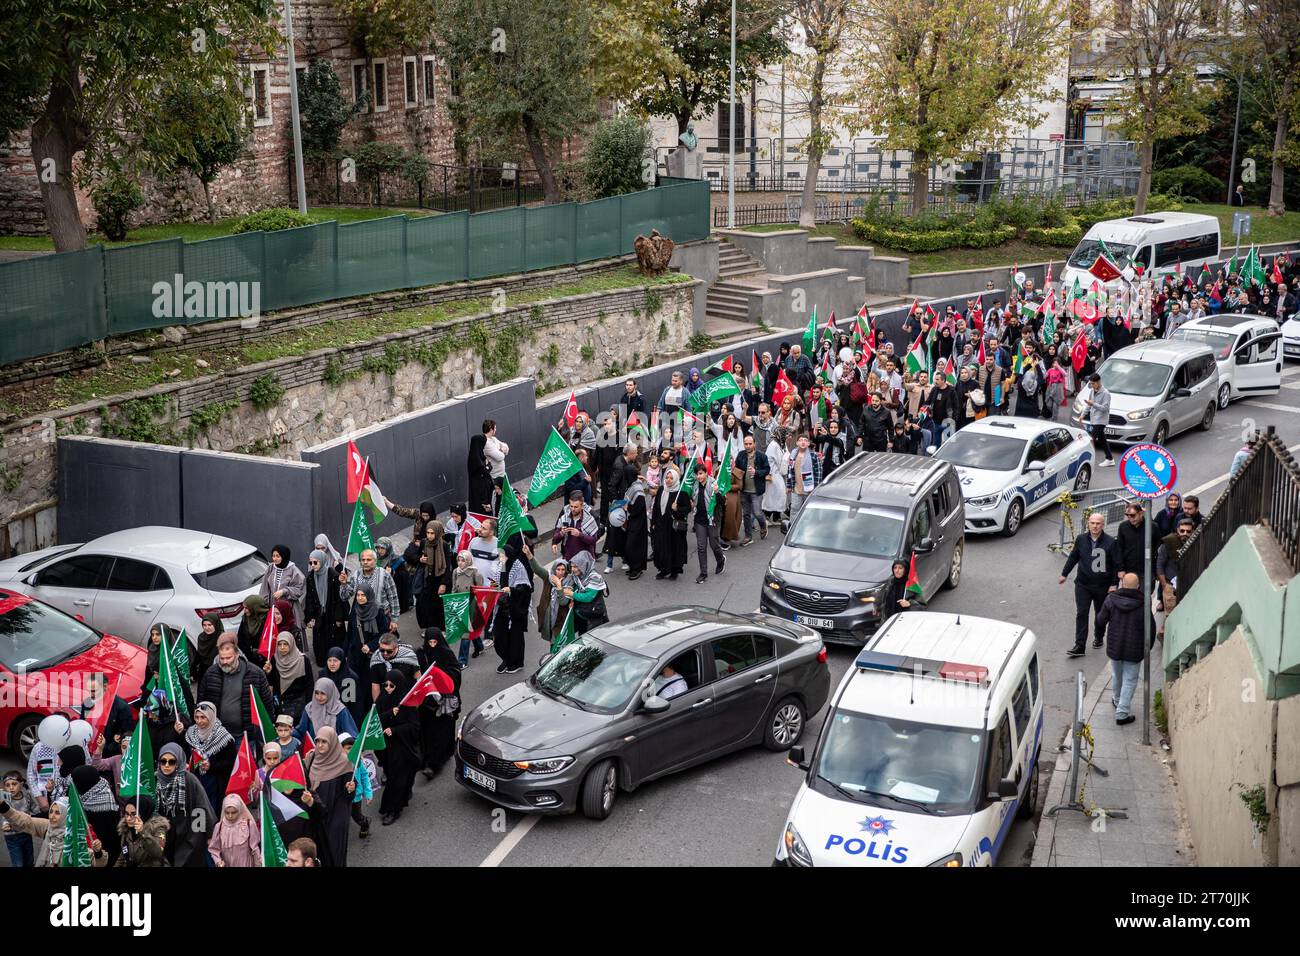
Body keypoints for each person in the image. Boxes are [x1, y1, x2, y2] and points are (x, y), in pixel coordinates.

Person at [1060, 512, 1121, 658]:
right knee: (1082, 613)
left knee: (1100, 614)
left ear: (1103, 525)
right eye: (1092, 523)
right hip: (1083, 584)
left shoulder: (1111, 542)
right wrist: (1064, 574)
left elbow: (1116, 564)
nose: (1095, 526)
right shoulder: (1081, 539)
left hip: (1102, 586)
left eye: (1098, 523)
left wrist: (1114, 584)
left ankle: (1099, 637)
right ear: (1088, 524)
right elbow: (1074, 557)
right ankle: (1079, 645)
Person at [199, 633, 274, 743]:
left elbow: (267, 704)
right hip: (218, 736)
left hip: (247, 737)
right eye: (221, 658)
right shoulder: (210, 674)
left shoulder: (255, 674)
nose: (225, 662)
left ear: (237, 654)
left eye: (228, 658)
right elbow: (201, 703)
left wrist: (266, 733)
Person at [1097, 572, 1146, 726]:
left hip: (1115, 646)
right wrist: (1147, 648)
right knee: (1130, 679)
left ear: (1122, 584)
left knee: (1117, 675)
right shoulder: (1143, 603)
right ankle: (1122, 712)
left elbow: (1100, 620)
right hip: (1134, 648)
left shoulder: (1111, 599)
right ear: (1138, 586)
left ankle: (1117, 700)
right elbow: (1149, 629)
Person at [303, 727, 356, 866]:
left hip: (335, 816)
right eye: (318, 741)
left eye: (324, 742)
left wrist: (351, 789)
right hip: (316, 813)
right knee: (317, 852)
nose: (320, 745)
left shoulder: (344, 762)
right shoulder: (311, 757)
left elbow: (349, 796)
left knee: (334, 853)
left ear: (332, 742)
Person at [155, 741, 214, 867]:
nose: (166, 765)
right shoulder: (155, 779)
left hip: (188, 833)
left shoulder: (189, 779)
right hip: (164, 835)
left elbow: (202, 806)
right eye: (163, 761)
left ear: (179, 762)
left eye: (172, 762)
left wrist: (200, 837)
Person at [375, 670, 420, 826]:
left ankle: (393, 810)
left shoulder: (407, 703)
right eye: (385, 685)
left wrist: (395, 730)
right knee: (394, 776)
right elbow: (375, 720)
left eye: (391, 685)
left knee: (396, 779)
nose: (388, 688)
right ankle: (404, 793)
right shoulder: (382, 699)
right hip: (385, 747)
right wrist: (389, 713)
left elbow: (414, 727)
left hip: (402, 746)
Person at [416, 627, 462, 780]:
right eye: (429, 642)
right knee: (427, 732)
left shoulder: (446, 654)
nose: (432, 645)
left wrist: (440, 677)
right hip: (427, 701)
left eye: (435, 642)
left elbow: (455, 673)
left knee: (442, 732)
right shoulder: (421, 654)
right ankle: (427, 759)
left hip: (444, 701)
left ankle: (435, 764)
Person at [184, 700, 237, 810]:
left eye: (203, 717)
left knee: (212, 810)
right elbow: (186, 753)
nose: (199, 721)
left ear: (211, 716)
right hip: (196, 780)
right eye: (197, 717)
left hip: (216, 784)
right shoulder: (191, 733)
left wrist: (211, 766)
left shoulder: (223, 737)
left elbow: (231, 761)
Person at [344, 584, 388, 707]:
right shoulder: (355, 611)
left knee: (366, 686)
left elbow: (384, 633)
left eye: (363, 595)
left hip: (370, 657)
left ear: (369, 595)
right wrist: (345, 653)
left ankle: (367, 711)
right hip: (354, 655)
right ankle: (351, 709)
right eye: (358, 595)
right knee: (351, 683)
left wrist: (371, 646)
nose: (360, 598)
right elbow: (349, 633)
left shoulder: (378, 612)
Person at [70, 762, 121, 866]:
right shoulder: (94, 791)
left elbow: (107, 841)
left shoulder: (102, 810)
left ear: (84, 782)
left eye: (76, 781)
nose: (73, 785)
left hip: (103, 858)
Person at [496, 540, 534, 674]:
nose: (500, 558)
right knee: (499, 635)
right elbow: (497, 582)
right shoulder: (501, 567)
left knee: (515, 637)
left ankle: (516, 662)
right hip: (502, 606)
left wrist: (511, 589)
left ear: (509, 555)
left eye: (502, 555)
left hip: (515, 608)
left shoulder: (519, 568)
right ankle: (505, 659)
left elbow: (524, 588)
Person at [304, 548, 344, 669]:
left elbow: (339, 598)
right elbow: (309, 599)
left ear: (322, 561)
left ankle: (335, 663)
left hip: (332, 614)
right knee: (319, 640)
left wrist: (339, 617)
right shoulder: (310, 577)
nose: (312, 565)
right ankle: (322, 663)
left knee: (333, 639)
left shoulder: (333, 575)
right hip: (319, 615)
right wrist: (309, 618)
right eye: (310, 562)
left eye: (315, 562)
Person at [339, 549, 400, 625]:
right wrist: (343, 584)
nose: (365, 562)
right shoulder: (356, 575)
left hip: (381, 619)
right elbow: (344, 597)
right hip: (361, 620)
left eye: (368, 560)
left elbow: (393, 598)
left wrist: (394, 620)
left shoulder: (384, 575)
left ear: (375, 561)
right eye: (363, 560)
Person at [554, 551, 609, 634]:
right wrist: (572, 599)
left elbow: (588, 597)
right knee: (582, 637)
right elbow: (577, 589)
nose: (573, 569)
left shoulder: (594, 577)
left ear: (584, 565)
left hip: (593, 616)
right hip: (582, 614)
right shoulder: (577, 576)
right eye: (572, 566)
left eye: (576, 567)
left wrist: (572, 594)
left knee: (593, 638)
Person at [651, 467, 691, 580]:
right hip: (661, 525)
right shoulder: (661, 490)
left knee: (674, 547)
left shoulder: (681, 493)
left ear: (675, 479)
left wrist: (677, 509)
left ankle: (674, 570)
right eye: (667, 477)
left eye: (671, 478)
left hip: (673, 527)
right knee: (661, 547)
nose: (668, 480)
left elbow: (687, 508)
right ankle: (663, 569)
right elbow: (656, 507)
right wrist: (653, 522)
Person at [413, 518, 453, 631]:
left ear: (438, 533)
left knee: (439, 606)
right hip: (427, 579)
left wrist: (443, 584)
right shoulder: (424, 543)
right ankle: (430, 629)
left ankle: (441, 629)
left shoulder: (444, 545)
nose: (429, 536)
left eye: (432, 533)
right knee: (427, 606)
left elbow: (447, 566)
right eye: (428, 533)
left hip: (440, 579)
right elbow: (416, 556)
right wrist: (421, 559)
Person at [260, 545, 307, 637]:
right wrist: (265, 605)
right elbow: (264, 588)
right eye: (273, 556)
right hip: (274, 608)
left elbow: (300, 589)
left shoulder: (293, 570)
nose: (275, 559)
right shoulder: (271, 568)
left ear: (284, 556)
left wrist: (285, 591)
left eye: (278, 556)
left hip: (289, 608)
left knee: (289, 633)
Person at [691, 464, 726, 584]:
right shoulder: (695, 485)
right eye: (697, 474)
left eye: (701, 473)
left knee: (714, 544)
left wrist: (717, 492)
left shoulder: (714, 484)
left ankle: (720, 560)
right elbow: (693, 499)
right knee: (701, 547)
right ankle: (703, 573)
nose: (699, 476)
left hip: (712, 519)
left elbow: (723, 502)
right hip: (699, 520)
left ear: (706, 473)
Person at [451, 549, 486, 666]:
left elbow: (480, 591)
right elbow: (454, 588)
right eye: (459, 560)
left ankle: (462, 661)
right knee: (470, 629)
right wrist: (453, 601)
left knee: (465, 633)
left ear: (469, 561)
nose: (460, 563)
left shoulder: (475, 573)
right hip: (460, 603)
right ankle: (479, 647)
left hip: (471, 605)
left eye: (463, 560)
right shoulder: (456, 572)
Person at [297, 677, 360, 742]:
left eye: (323, 693)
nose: (319, 697)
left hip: (336, 747)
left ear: (330, 692)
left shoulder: (340, 710)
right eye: (316, 693)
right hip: (314, 747)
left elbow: (351, 734)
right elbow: (301, 731)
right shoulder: (310, 708)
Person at [266, 632, 312, 720]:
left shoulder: (302, 660)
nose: (282, 647)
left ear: (291, 644)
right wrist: (269, 673)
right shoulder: (274, 659)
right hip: (282, 704)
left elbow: (309, 684)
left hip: (299, 704)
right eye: (279, 644)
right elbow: (273, 683)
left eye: (285, 644)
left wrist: (309, 705)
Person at [208, 793, 261, 867]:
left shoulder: (248, 825)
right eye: (227, 813)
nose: (230, 816)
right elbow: (214, 849)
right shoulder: (219, 827)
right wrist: (218, 861)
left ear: (239, 810)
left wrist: (258, 863)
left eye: (233, 812)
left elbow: (255, 848)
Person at [319, 647, 364, 729]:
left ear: (342, 661)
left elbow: (354, 705)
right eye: (329, 660)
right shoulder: (323, 674)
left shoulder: (350, 677)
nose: (332, 664)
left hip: (345, 719)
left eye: (335, 661)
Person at [115, 798, 168, 867]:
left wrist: (143, 832)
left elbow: (157, 852)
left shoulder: (158, 827)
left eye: (133, 814)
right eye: (127, 814)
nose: (128, 818)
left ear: (143, 812)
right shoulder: (126, 829)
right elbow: (123, 857)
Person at [370, 632, 420, 703]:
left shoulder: (409, 656)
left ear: (396, 647)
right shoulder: (376, 659)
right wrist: (377, 705)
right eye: (382, 650)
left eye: (389, 651)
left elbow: (417, 677)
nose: (385, 653)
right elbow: (375, 685)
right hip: (387, 699)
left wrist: (417, 700)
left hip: (407, 697)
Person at [2, 771, 37, 867]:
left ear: (21, 785)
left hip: (26, 833)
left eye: (14, 784)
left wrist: (37, 817)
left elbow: (35, 809)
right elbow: (5, 815)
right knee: (18, 864)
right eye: (7, 785)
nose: (11, 787)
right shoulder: (6, 800)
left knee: (29, 861)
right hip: (12, 836)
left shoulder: (27, 796)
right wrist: (5, 824)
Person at [1079, 373, 1114, 466]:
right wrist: (1082, 415)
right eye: (1090, 383)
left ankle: (1084, 459)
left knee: (1091, 439)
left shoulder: (1106, 393)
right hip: (1094, 419)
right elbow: (1089, 404)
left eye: (1093, 383)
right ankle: (1110, 458)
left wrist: (1093, 404)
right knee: (1102, 440)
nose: (1092, 385)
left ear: (1098, 382)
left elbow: (1105, 408)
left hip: (1101, 421)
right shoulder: (1092, 391)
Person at [786, 434, 822, 521]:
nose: (803, 442)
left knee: (809, 511)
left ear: (808, 443)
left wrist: (815, 488)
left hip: (809, 489)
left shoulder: (813, 456)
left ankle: (808, 527)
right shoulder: (793, 455)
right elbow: (789, 471)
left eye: (805, 440)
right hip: (796, 489)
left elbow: (818, 473)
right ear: (797, 443)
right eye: (800, 440)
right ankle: (793, 527)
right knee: (794, 509)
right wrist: (788, 486)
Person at [622, 467, 649, 580]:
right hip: (633, 521)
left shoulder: (637, 489)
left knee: (634, 545)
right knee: (630, 545)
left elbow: (639, 507)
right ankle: (633, 567)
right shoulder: (633, 485)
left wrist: (628, 508)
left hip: (638, 523)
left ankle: (637, 569)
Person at [237, 595, 272, 668]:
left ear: (254, 608)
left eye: (246, 608)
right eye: (244, 608)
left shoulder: (268, 619)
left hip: (266, 660)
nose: (244, 611)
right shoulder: (245, 619)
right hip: (249, 659)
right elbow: (240, 638)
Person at [467, 423, 495, 515]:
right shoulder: (476, 459)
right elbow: (485, 470)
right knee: (483, 513)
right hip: (481, 494)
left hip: (481, 491)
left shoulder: (477, 456)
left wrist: (487, 467)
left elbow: (488, 467)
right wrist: (487, 467)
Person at [483, 419, 509, 507]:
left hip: (501, 475)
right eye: (495, 428)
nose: (496, 430)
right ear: (491, 429)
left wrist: (501, 449)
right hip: (494, 476)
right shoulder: (486, 443)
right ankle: (496, 514)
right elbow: (500, 457)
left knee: (502, 499)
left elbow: (506, 447)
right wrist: (501, 449)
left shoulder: (493, 439)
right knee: (497, 499)